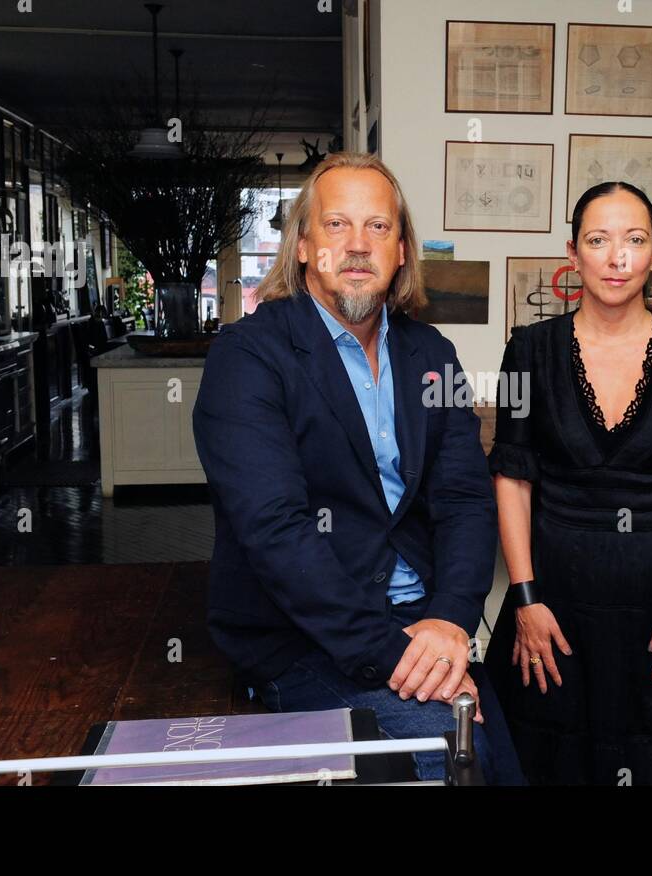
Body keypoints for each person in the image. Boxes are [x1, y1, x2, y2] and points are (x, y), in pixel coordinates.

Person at [193, 152, 522, 785]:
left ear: (401, 250)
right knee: (450, 757)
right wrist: (398, 656)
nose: (357, 245)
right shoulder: (247, 358)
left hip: (424, 620)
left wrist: (451, 618)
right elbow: (276, 532)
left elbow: (463, 498)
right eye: (337, 225)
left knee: (491, 756)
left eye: (377, 227)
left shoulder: (431, 353)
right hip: (302, 634)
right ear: (305, 247)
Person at [484, 181, 652, 785]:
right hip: (555, 604)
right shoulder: (528, 350)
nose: (617, 257)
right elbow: (513, 477)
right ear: (573, 252)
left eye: (634, 240)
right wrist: (526, 600)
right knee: (550, 762)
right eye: (599, 240)